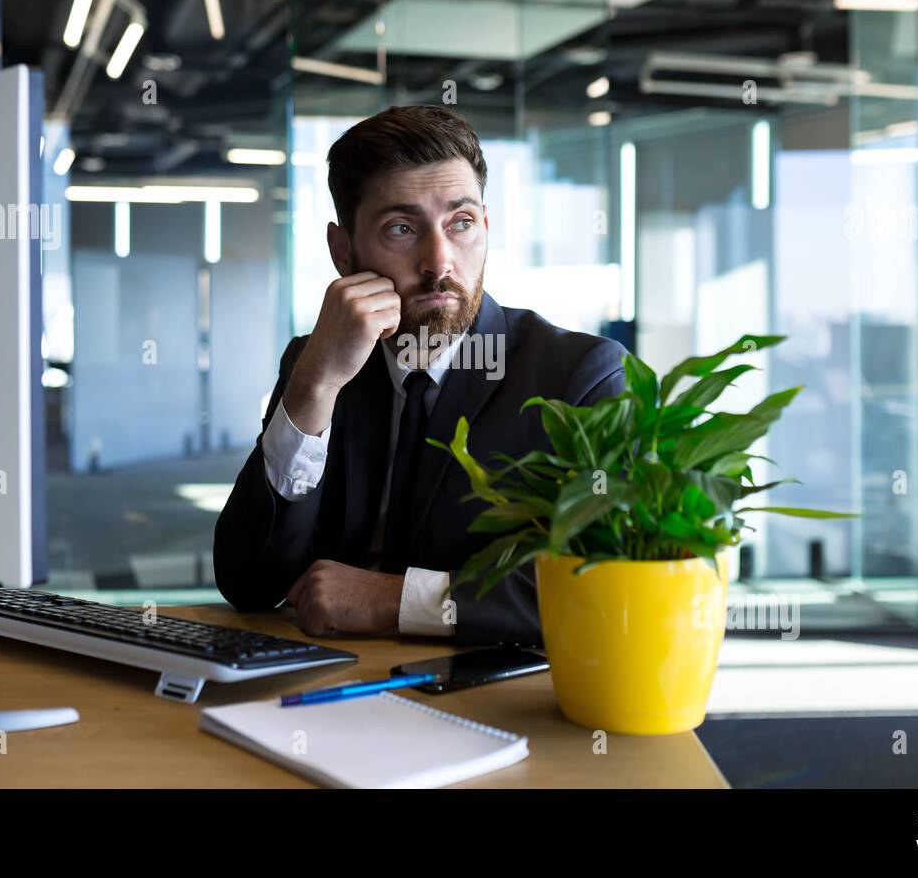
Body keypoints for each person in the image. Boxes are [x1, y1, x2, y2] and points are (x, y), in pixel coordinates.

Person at [213, 105, 626, 646]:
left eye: (461, 223)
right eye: (402, 229)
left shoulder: (577, 376)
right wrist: (314, 388)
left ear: (485, 227)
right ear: (343, 251)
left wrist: (391, 600)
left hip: (490, 703)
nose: (440, 261)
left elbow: (608, 589)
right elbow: (249, 582)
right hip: (323, 693)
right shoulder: (317, 363)